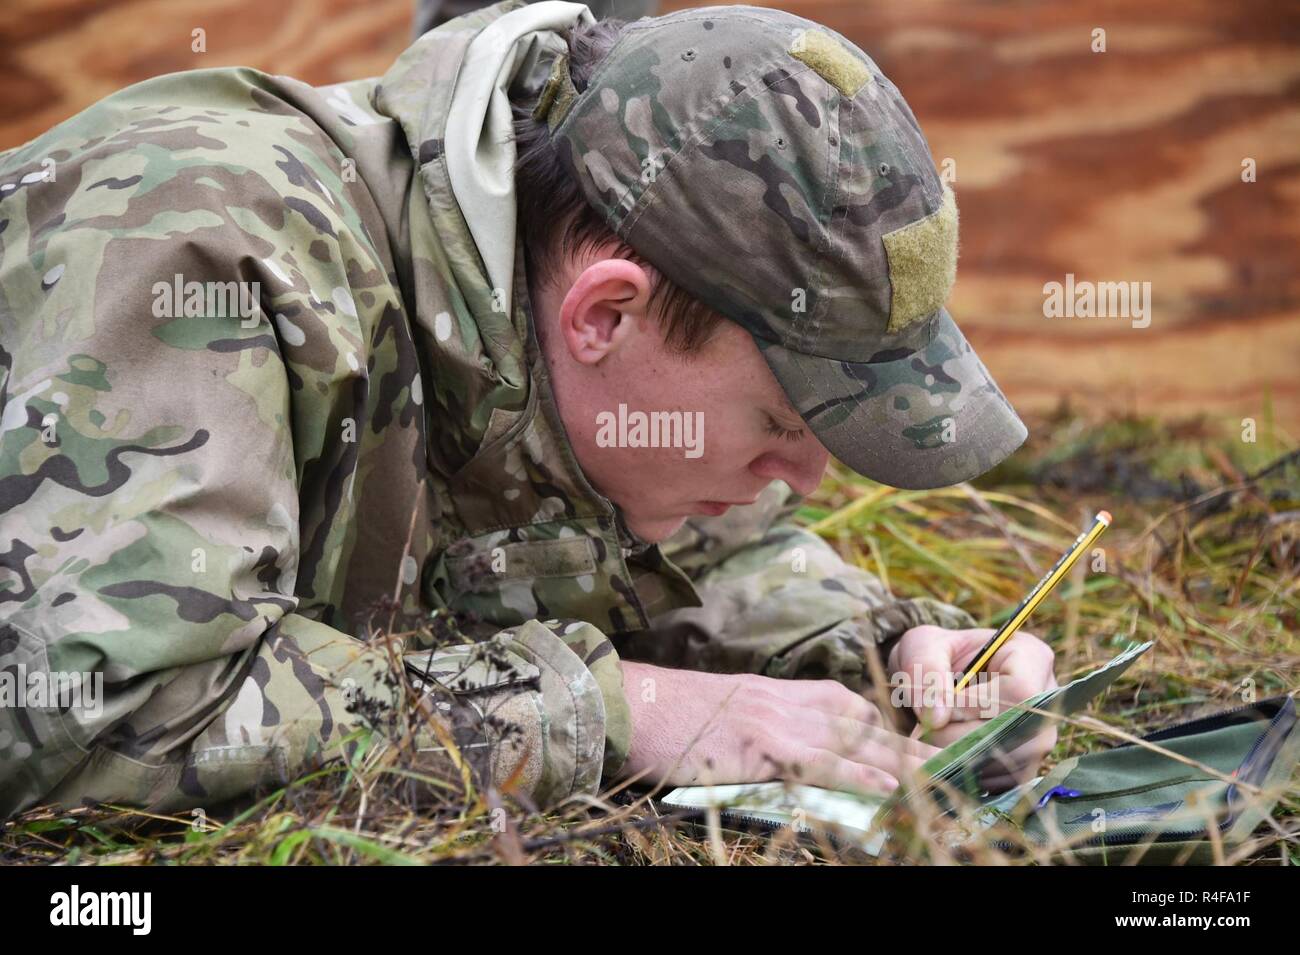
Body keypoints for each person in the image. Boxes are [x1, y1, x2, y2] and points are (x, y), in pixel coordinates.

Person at [0, 1, 1053, 819]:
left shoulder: (528, 290)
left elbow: (662, 543)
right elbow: (100, 708)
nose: (807, 477)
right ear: (607, 314)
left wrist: (882, 648)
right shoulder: (203, 246)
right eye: (782, 425)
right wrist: (618, 712)